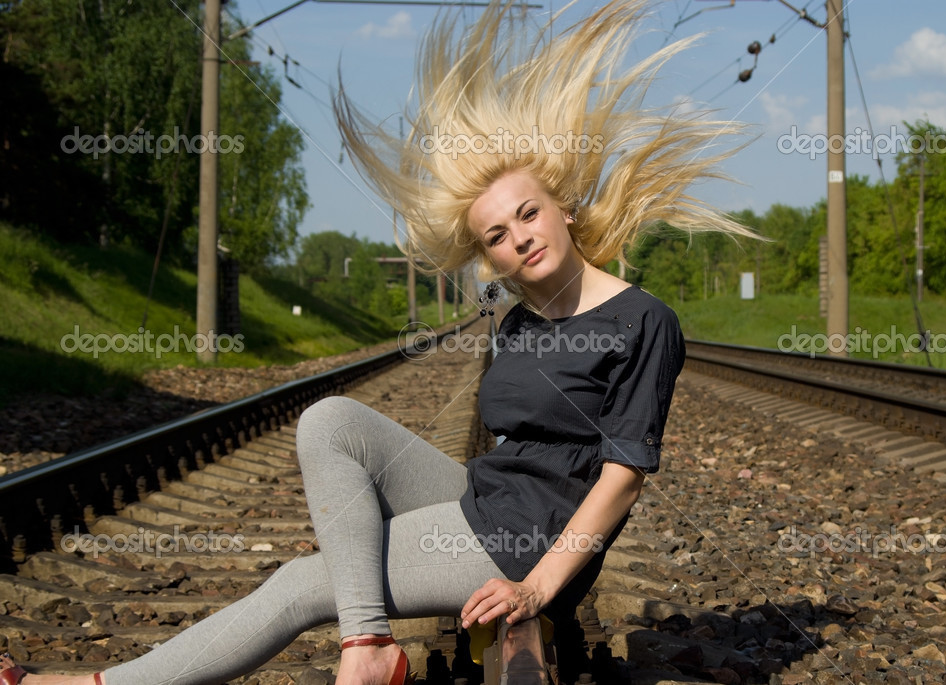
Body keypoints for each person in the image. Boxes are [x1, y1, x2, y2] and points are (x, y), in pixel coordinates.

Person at [0, 1, 757, 684]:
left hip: (527, 540)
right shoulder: (518, 321)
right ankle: (368, 638)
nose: (518, 238)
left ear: (560, 206)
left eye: (526, 214)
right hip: (482, 498)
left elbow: (621, 478)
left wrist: (537, 588)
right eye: (495, 235)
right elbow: (512, 444)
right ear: (484, 255)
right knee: (330, 420)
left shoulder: (642, 318)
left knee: (301, 583)